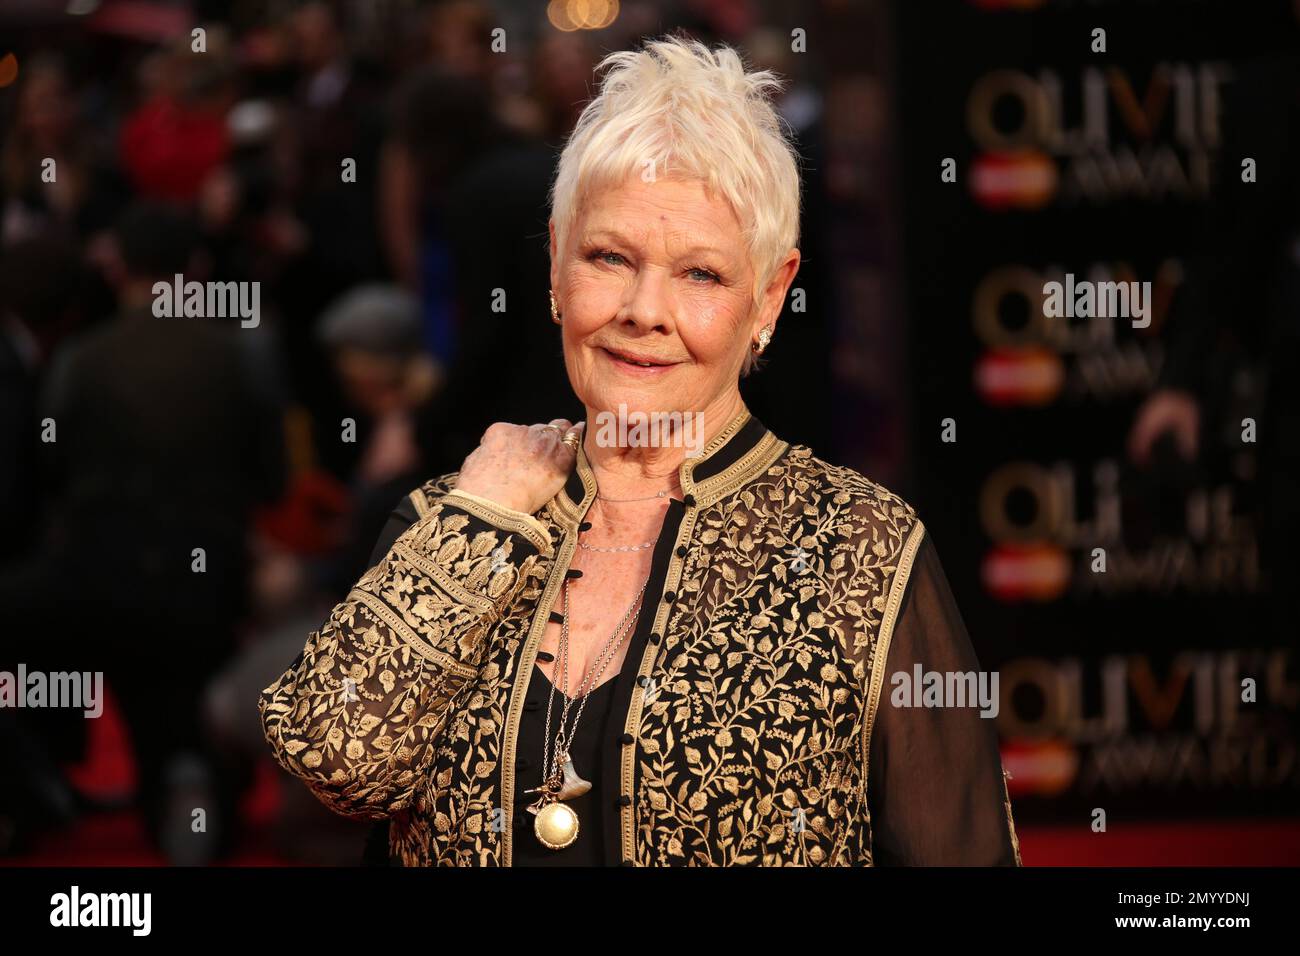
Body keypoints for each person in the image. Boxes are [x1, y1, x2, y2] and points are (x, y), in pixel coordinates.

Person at [259, 37, 1021, 866]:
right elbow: (334, 762)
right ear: (556, 263)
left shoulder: (859, 548)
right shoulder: (452, 515)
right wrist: (479, 520)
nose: (644, 310)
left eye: (700, 275)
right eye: (609, 258)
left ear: (770, 296)